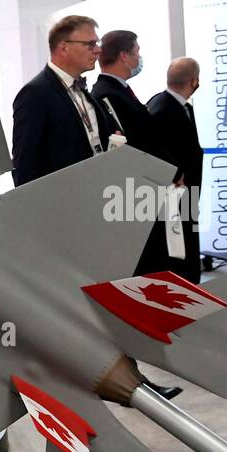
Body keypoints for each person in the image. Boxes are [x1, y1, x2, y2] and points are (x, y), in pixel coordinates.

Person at [91, 30, 177, 277]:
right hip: (135, 190)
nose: (139, 58)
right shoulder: (106, 94)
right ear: (124, 56)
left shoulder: (121, 91)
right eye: (137, 52)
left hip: (148, 184)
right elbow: (136, 141)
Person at [12, 15, 114, 187]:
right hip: (62, 202)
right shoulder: (35, 93)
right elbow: (25, 163)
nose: (97, 50)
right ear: (64, 48)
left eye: (97, 44)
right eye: (90, 44)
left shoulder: (82, 90)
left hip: (95, 195)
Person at [148, 58, 204, 283]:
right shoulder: (163, 107)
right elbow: (154, 146)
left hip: (186, 191)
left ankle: (191, 286)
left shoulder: (181, 106)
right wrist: (175, 174)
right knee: (177, 248)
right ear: (194, 81)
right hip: (174, 193)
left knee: (188, 241)